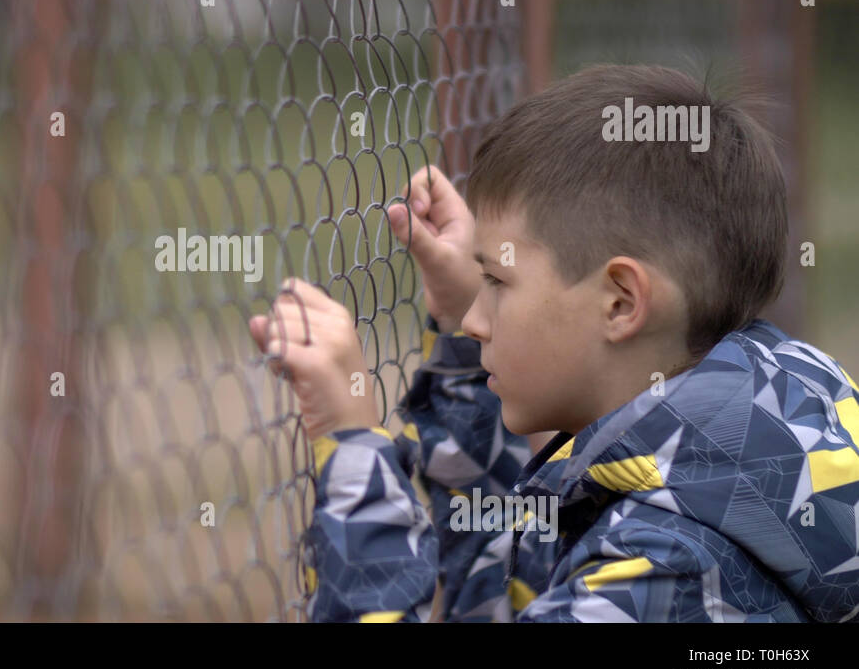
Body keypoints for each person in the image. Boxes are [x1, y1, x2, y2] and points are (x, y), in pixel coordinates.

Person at [249, 65, 859, 622]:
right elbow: (509, 596)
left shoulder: (665, 570)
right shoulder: (762, 426)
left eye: (497, 281)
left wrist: (353, 453)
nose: (473, 321)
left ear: (620, 302)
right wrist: (467, 363)